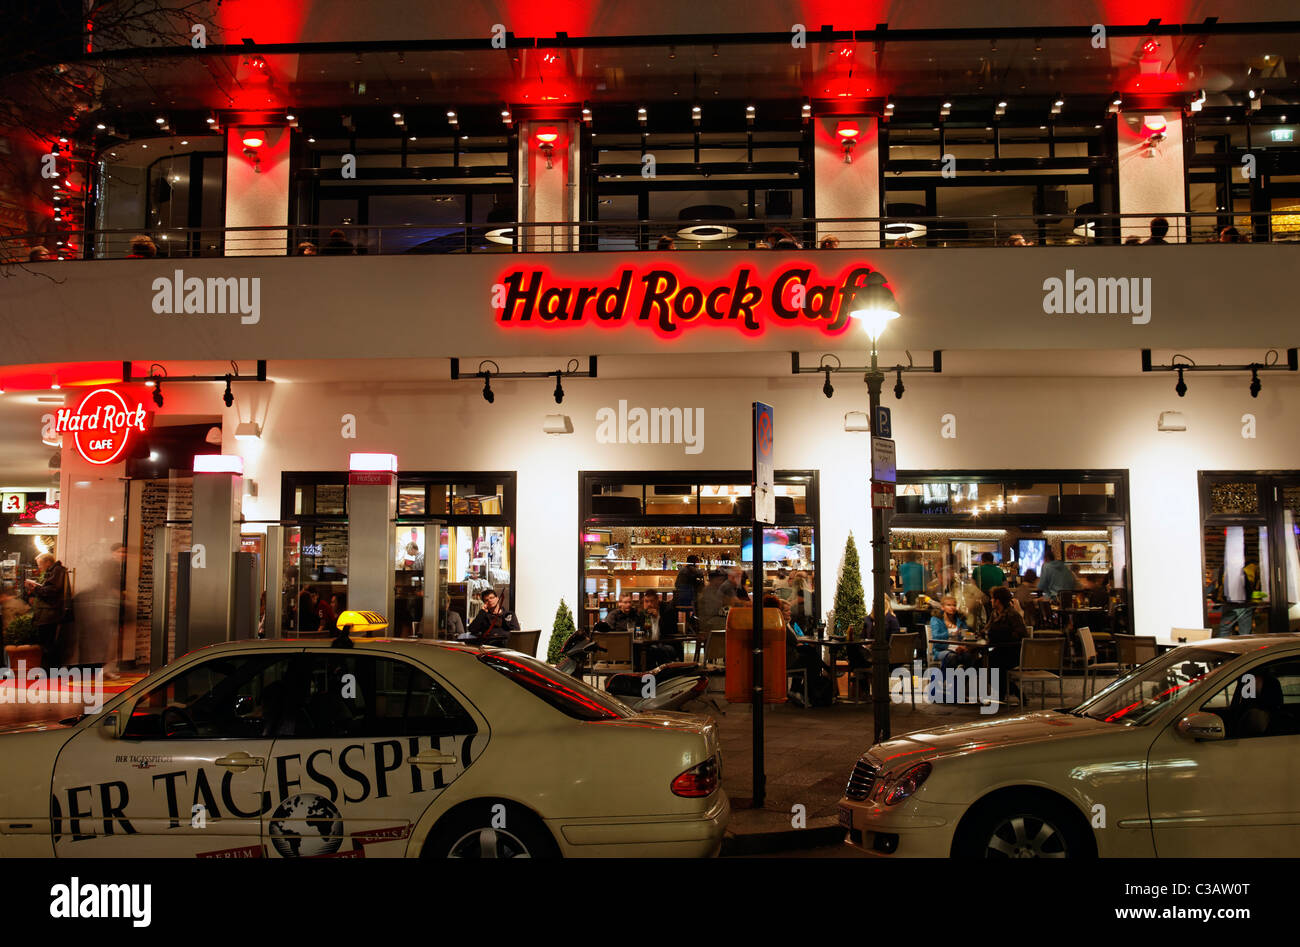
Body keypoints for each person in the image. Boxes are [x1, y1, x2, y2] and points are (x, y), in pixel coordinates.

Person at [775, 595, 833, 706]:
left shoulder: (785, 625)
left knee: (810, 655)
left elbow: (795, 642)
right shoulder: (782, 627)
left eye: (789, 610)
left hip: (789, 657)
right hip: (789, 660)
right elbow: (794, 641)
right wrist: (798, 643)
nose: (789, 613)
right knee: (812, 661)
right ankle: (804, 692)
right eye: (786, 610)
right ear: (780, 612)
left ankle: (798, 691)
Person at [25, 553, 69, 667]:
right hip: (48, 613)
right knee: (47, 644)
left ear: (48, 562)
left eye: (40, 564)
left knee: (48, 644)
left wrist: (35, 588)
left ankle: (49, 671)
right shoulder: (54, 571)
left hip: (49, 614)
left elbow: (51, 591)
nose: (39, 567)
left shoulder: (57, 571)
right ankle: (48, 670)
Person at [986, 586, 1028, 702]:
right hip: (1000, 650)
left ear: (997, 601)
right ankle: (1011, 692)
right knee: (987, 662)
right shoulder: (995, 614)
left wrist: (1004, 636)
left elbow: (1022, 635)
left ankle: (1004, 694)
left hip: (1013, 653)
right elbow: (987, 629)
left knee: (993, 663)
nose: (991, 601)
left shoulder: (1012, 615)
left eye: (992, 598)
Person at [641, 591, 681, 664]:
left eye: (651, 601)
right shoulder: (642, 615)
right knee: (646, 650)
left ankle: (662, 672)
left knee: (656, 650)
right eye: (646, 601)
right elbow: (639, 632)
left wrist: (658, 617)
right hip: (648, 645)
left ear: (657, 601)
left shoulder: (667, 611)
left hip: (666, 643)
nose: (649, 604)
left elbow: (670, 630)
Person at [929, 595, 969, 664]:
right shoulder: (936, 619)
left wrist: (963, 646)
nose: (952, 607)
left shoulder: (960, 619)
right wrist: (950, 634)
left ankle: (966, 674)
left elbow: (965, 635)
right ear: (942, 607)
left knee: (969, 656)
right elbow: (936, 638)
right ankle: (948, 675)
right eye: (949, 605)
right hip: (941, 650)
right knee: (952, 656)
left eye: (954, 605)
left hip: (958, 649)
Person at [695, 570, 734, 636]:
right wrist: (725, 603)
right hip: (709, 622)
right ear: (712, 580)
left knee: (734, 623)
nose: (722, 582)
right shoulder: (708, 591)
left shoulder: (715, 590)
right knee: (733, 624)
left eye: (722, 580)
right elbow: (713, 611)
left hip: (711, 620)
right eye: (719, 579)